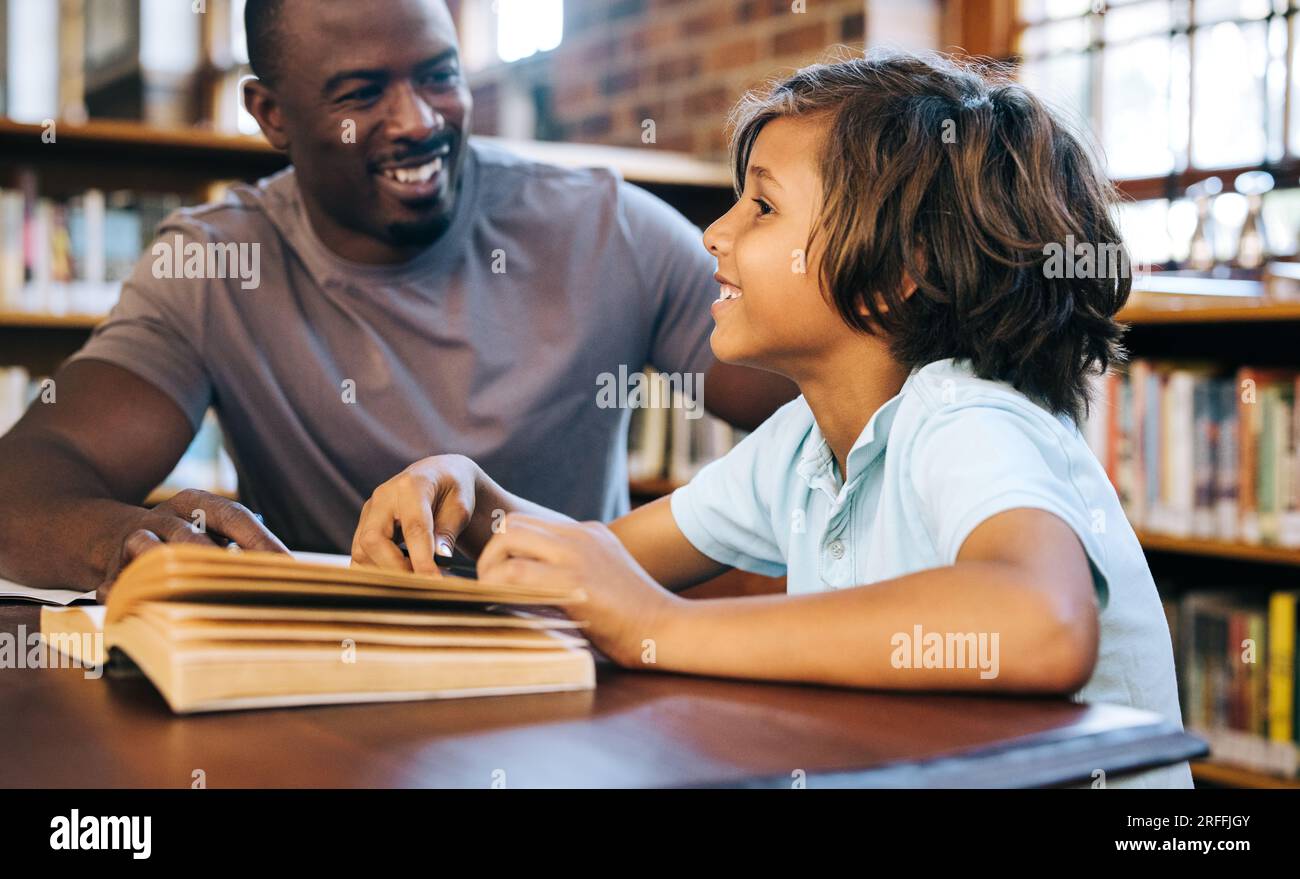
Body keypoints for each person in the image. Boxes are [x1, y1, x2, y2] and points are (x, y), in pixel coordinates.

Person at [354, 52, 1192, 788]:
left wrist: (660, 625)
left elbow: (1041, 624)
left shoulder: (967, 417)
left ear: (902, 268)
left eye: (761, 208)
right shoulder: (799, 443)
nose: (714, 234)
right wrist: (468, 495)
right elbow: (603, 564)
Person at [0, 0, 791, 598]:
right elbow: (26, 479)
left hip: (577, 676)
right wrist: (124, 539)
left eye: (439, 76)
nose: (418, 121)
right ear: (270, 114)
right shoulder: (216, 266)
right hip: (326, 702)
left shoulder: (605, 225)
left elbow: (830, 393)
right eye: (361, 92)